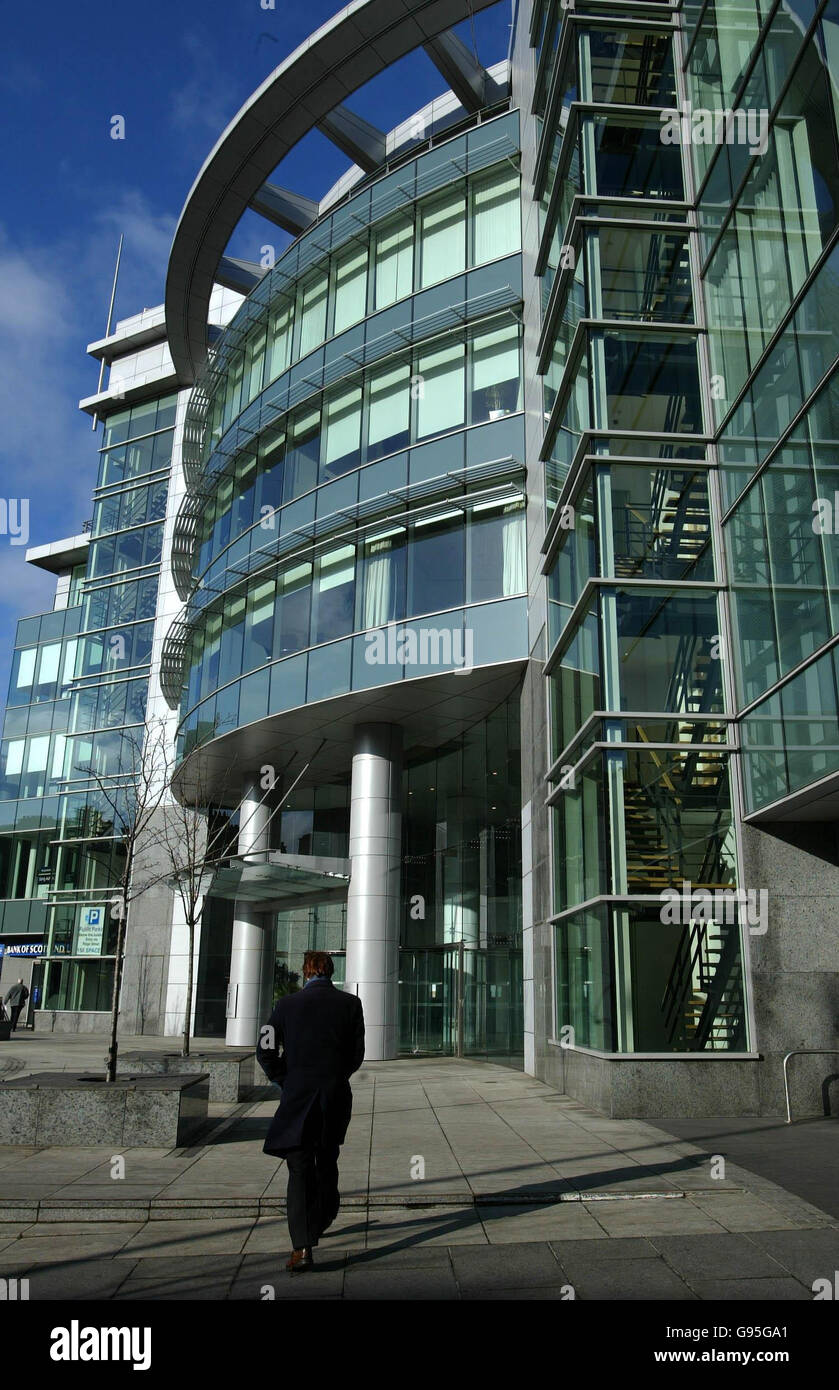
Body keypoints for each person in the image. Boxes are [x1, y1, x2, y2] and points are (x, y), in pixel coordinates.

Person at [256, 950, 364, 1273]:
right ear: (331, 972)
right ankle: (325, 1212)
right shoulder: (350, 1004)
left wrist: (284, 1080)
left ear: (306, 973)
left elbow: (264, 1048)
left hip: (298, 1099)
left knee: (300, 1170)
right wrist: (334, 1076)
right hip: (333, 1097)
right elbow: (357, 1054)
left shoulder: (286, 1006)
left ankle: (302, 1248)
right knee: (327, 1160)